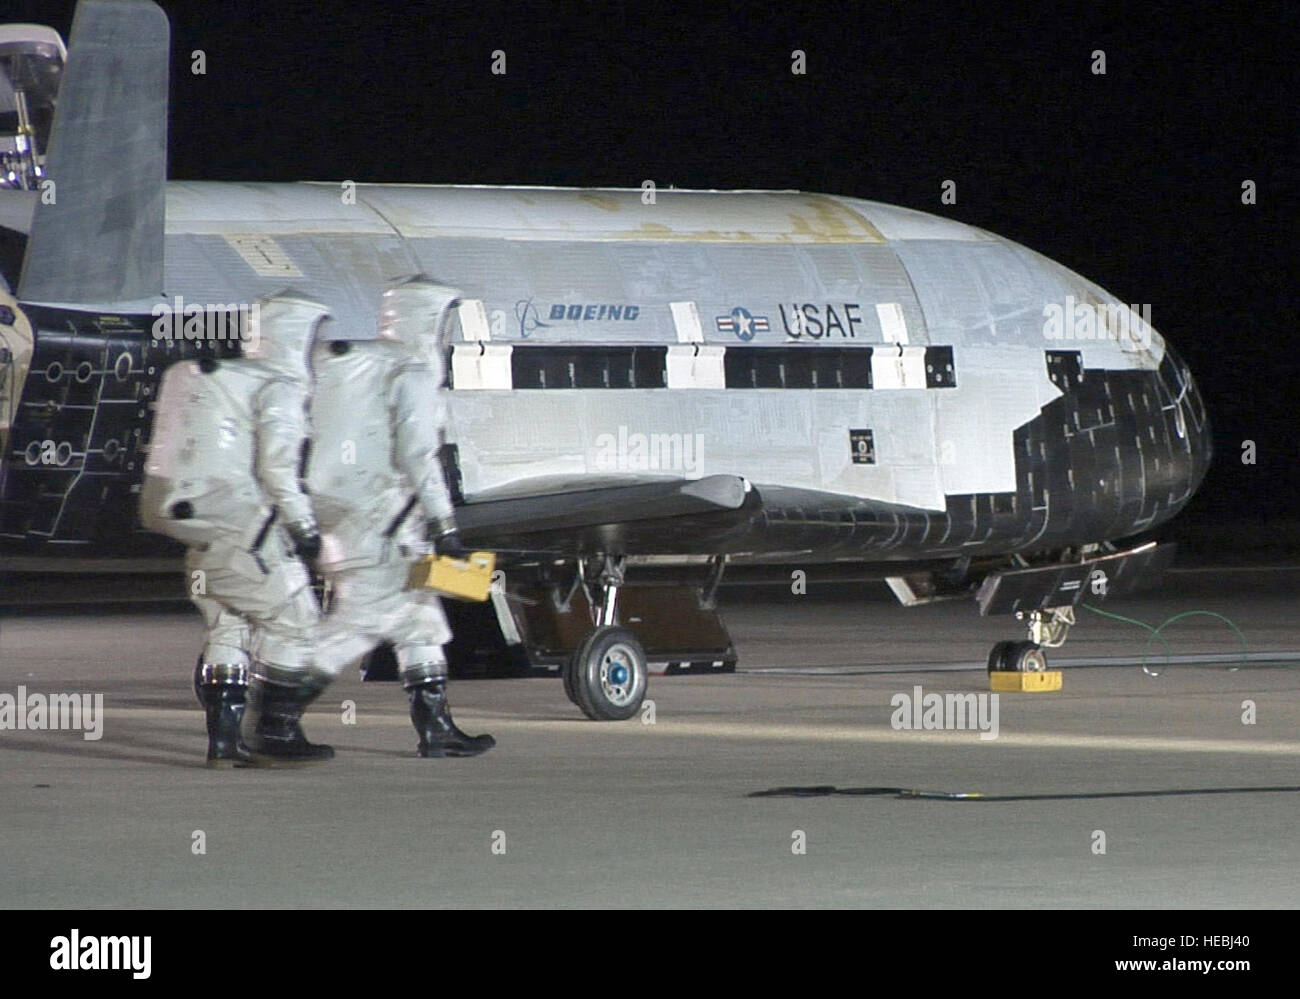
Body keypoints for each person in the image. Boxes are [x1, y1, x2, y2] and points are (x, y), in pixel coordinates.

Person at [140, 292, 331, 766]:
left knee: (230, 626)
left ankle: (223, 742)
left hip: (195, 526)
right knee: (299, 625)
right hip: (245, 528)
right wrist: (305, 529)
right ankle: (276, 730)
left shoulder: (220, 377)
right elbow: (277, 468)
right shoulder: (279, 386)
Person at [309, 276, 494, 757]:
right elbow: (417, 456)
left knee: (419, 624)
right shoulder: (410, 372)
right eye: (443, 321)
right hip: (382, 529)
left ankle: (436, 730)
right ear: (427, 320)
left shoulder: (361, 369)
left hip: (372, 524)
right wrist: (445, 524)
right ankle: (274, 712)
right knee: (353, 629)